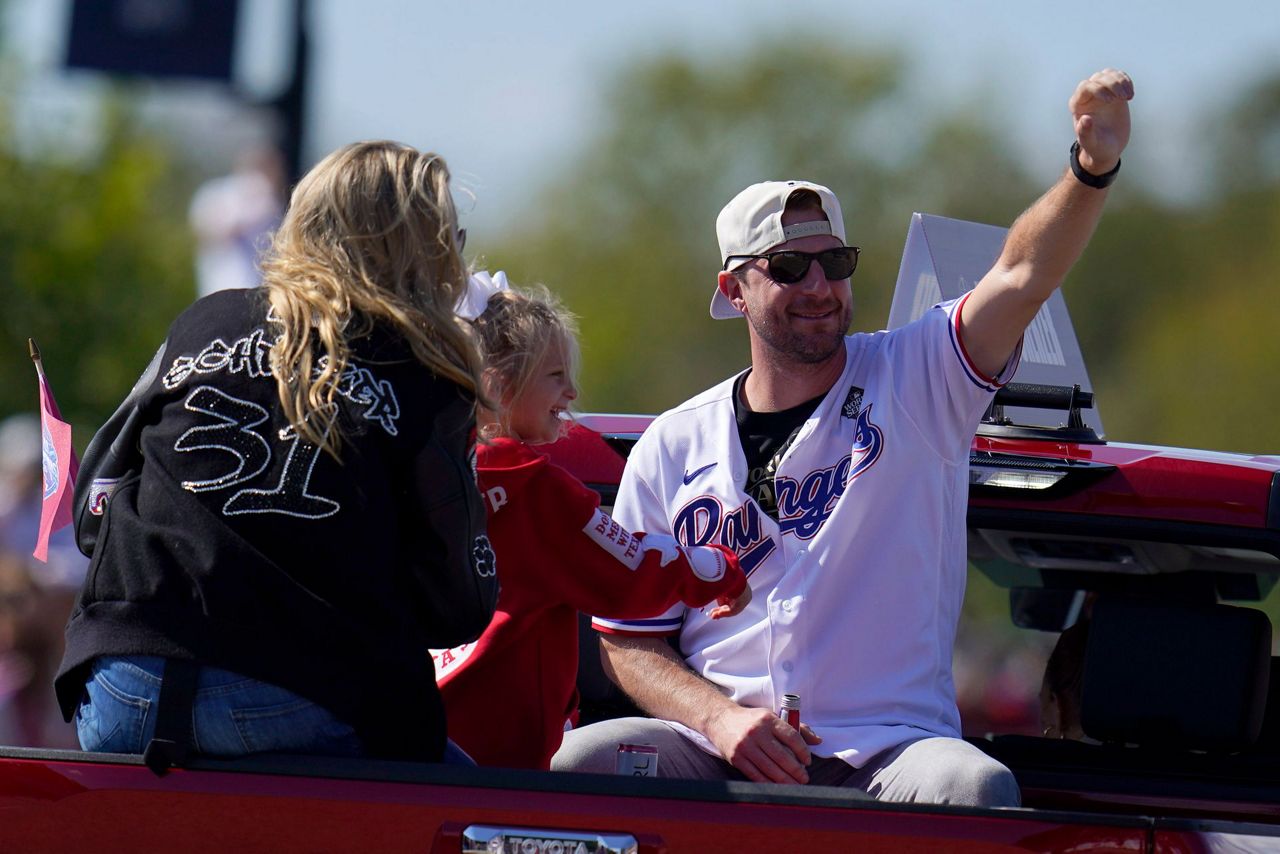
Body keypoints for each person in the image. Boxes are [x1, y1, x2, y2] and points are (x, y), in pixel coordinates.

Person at [552, 69, 1134, 807]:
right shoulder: (672, 444)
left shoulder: (917, 376)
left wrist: (1091, 170)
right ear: (733, 291)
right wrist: (718, 718)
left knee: (977, 785)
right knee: (575, 766)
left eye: (836, 262)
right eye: (790, 268)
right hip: (716, 750)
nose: (820, 286)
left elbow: (1020, 275)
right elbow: (628, 638)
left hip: (889, 749)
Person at [54, 141, 499, 764]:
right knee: (476, 805)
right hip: (300, 701)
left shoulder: (204, 320)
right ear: (421, 250)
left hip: (121, 691)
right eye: (451, 234)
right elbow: (459, 608)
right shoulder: (429, 378)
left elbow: (93, 509)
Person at [433, 274, 750, 769]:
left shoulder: (433, 471)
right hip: (499, 755)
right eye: (555, 375)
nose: (573, 390)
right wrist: (716, 568)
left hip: (426, 729)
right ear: (498, 384)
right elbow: (629, 572)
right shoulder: (536, 489)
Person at [189, 144, 287, 298]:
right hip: (218, 291)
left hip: (259, 294)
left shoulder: (272, 205)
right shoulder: (214, 194)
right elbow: (204, 233)